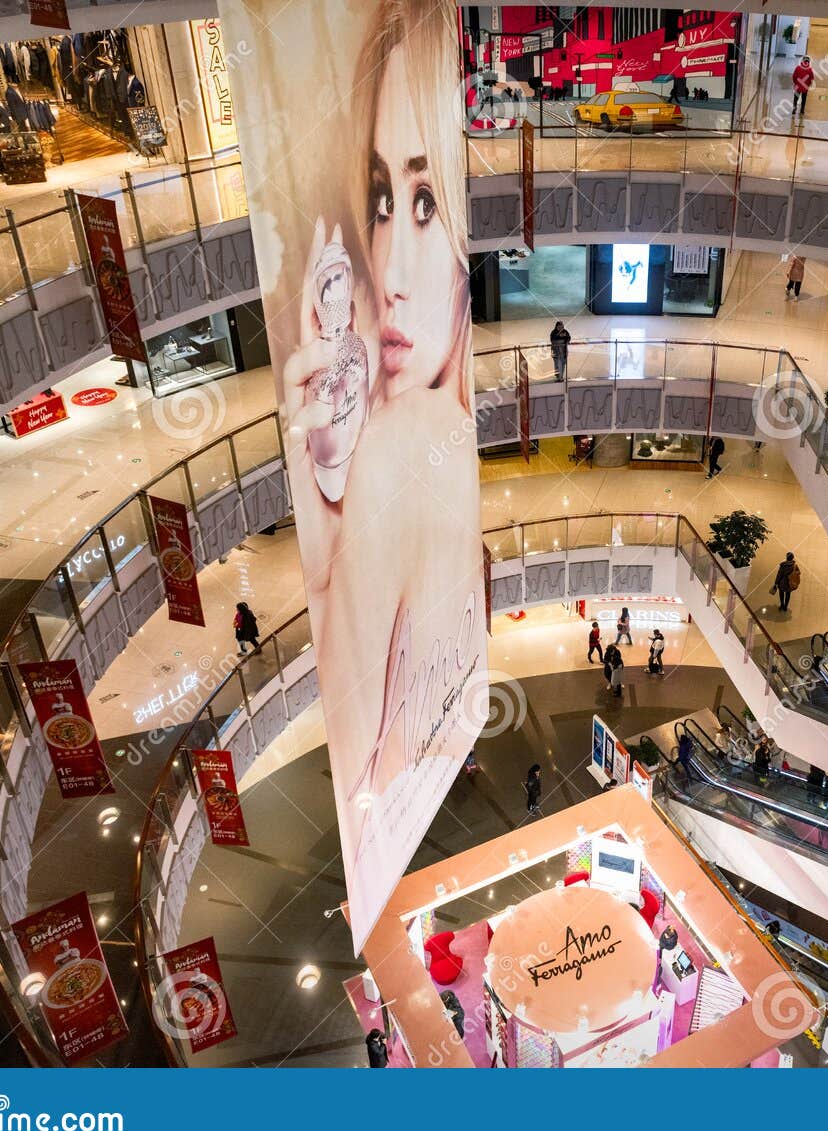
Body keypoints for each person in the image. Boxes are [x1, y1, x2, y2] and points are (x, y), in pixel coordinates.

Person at [276, 0, 484, 841]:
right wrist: (328, 525)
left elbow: (357, 771)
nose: (389, 265)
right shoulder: (455, 438)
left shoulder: (404, 448)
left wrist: (325, 494)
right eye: (382, 197)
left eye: (428, 200)